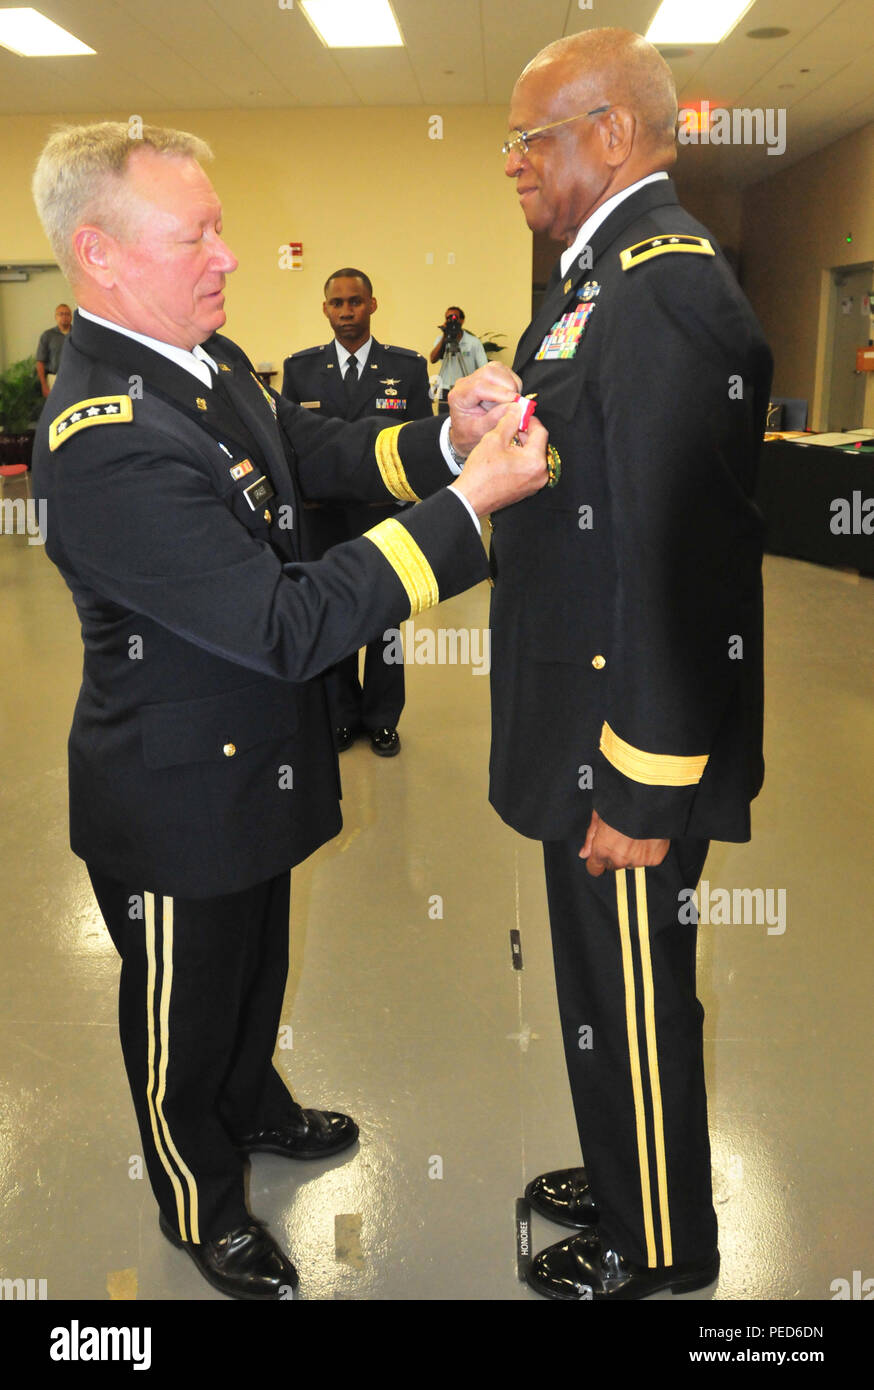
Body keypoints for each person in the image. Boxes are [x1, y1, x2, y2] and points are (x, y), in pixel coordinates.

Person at [30, 121, 547, 1301]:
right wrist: (470, 508)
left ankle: (252, 1103)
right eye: (192, 234)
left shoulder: (201, 364)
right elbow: (283, 624)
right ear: (100, 254)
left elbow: (306, 451)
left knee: (250, 966)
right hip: (173, 793)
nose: (225, 255)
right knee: (183, 1004)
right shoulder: (104, 434)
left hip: (252, 757)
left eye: (220, 226)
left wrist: (440, 437)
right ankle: (196, 1189)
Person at [491, 29, 773, 1301]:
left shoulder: (660, 284)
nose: (513, 165)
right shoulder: (599, 276)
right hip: (589, 719)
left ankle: (660, 1242)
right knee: (602, 981)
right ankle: (624, 1177)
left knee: (636, 990)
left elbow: (678, 557)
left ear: (610, 134)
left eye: (529, 139)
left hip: (626, 746)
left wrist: (643, 788)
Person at [282, 269, 432, 757]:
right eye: (337, 303)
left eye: (356, 302)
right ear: (325, 308)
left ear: (373, 305)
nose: (346, 312)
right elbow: (287, 445)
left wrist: (415, 508)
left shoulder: (406, 369)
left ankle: (383, 718)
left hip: (383, 517)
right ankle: (343, 716)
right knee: (336, 616)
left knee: (387, 618)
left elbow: (419, 443)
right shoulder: (301, 369)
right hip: (325, 518)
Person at [429, 306, 487, 413]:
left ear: (462, 320)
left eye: (454, 317)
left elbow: (484, 367)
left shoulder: (473, 342)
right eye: (448, 318)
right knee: (443, 421)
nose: (451, 320)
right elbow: (433, 359)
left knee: (465, 422)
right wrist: (445, 336)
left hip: (466, 389)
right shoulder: (441, 340)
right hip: (446, 389)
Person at [35, 302, 72, 395]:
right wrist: (44, 385)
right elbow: (40, 362)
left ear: (71, 317)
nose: (64, 316)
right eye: (61, 314)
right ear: (56, 317)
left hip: (74, 379)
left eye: (67, 314)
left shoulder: (77, 335)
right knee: (56, 409)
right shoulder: (47, 335)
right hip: (54, 379)